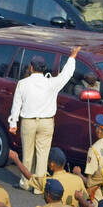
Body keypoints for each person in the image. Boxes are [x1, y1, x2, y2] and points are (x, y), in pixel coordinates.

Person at [8, 46, 80, 194]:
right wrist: (72, 57)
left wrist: (13, 123)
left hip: (28, 122)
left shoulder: (23, 84)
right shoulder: (51, 83)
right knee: (43, 154)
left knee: (27, 154)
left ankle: (25, 183)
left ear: (31, 67)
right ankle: (38, 187)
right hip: (46, 122)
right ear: (44, 68)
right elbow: (66, 74)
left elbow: (16, 105)